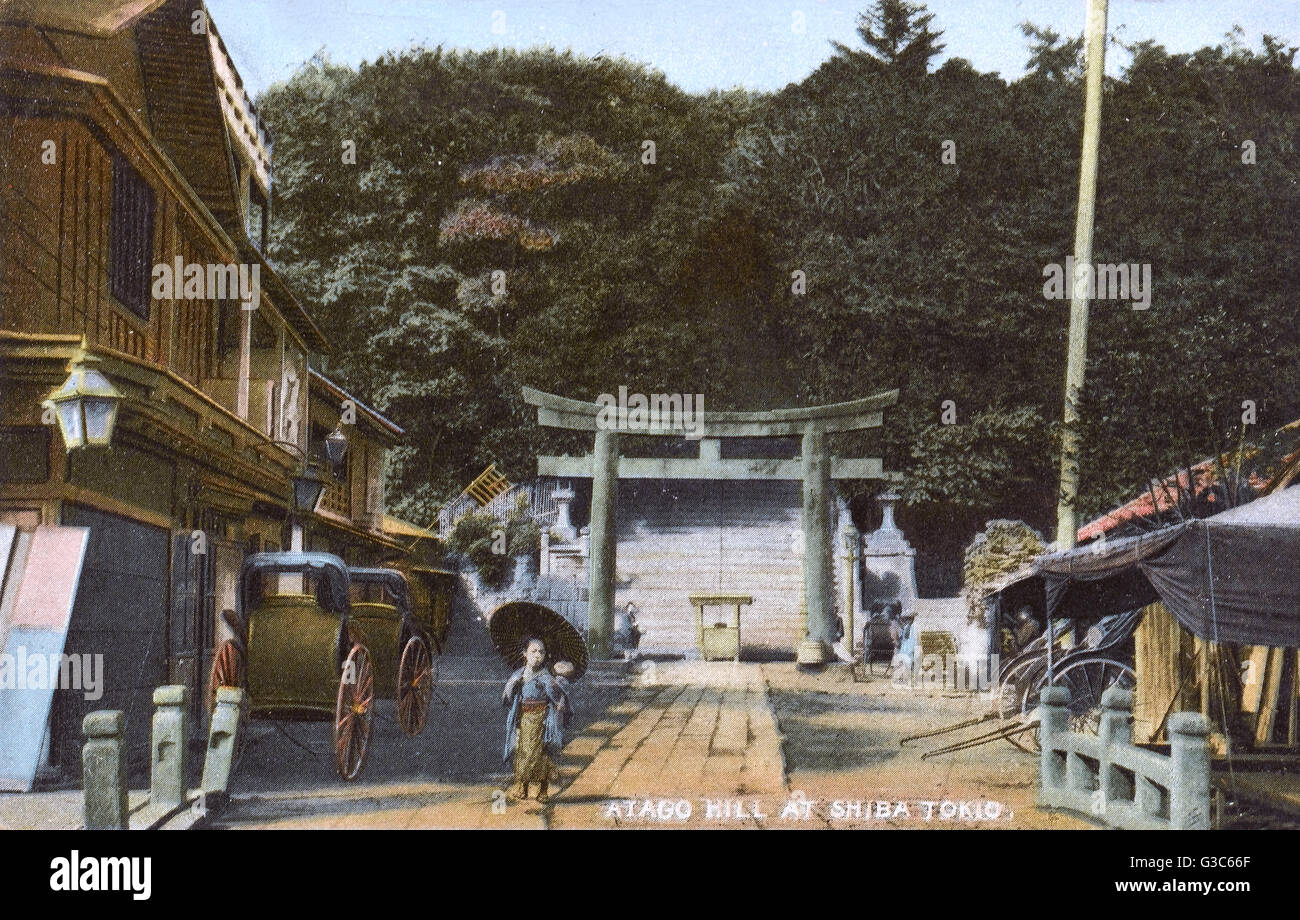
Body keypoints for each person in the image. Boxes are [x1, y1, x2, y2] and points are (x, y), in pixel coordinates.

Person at [502, 637, 571, 803]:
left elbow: (557, 698)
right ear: (524, 653)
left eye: (542, 652)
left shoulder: (546, 677)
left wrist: (559, 695)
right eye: (533, 651)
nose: (538, 655)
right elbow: (507, 697)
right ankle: (523, 788)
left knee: (541, 755)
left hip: (542, 720)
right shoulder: (518, 675)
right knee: (522, 753)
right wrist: (513, 685)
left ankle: (543, 790)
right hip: (523, 719)